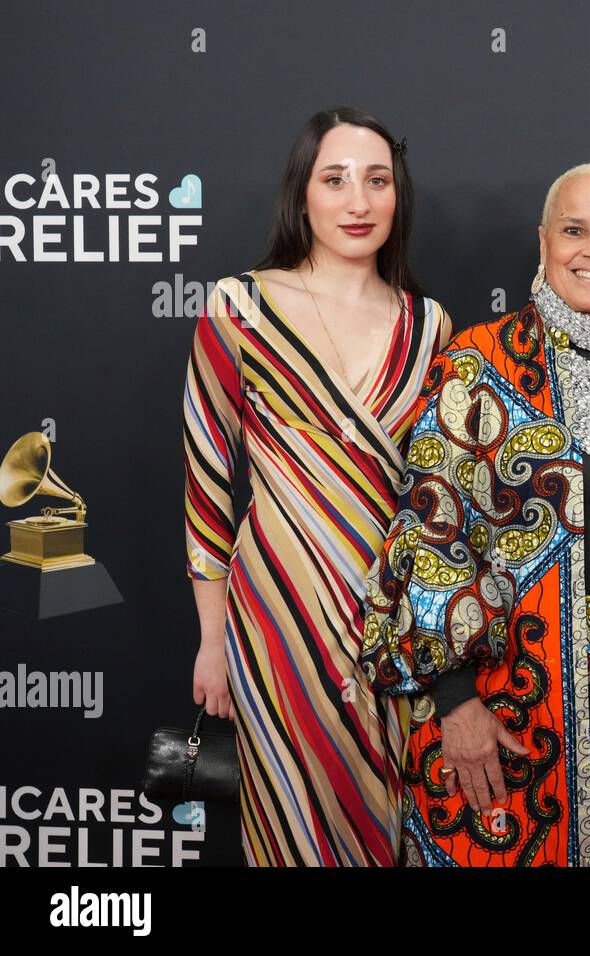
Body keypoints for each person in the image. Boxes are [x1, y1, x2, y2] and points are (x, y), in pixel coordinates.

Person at [360, 162, 590, 866]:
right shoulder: (477, 364)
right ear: (543, 242)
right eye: (574, 231)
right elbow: (433, 532)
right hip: (504, 700)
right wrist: (455, 698)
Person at [184, 107, 452, 865]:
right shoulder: (239, 307)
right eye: (335, 181)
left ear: (398, 196)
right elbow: (207, 486)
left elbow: (438, 494)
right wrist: (211, 641)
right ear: (302, 194)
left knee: (378, 822)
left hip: (389, 620)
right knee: (288, 826)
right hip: (277, 612)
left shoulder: (429, 325)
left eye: (377, 181)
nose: (358, 202)